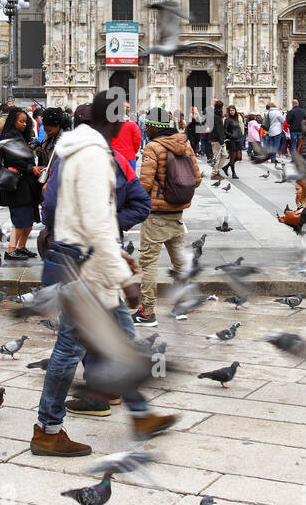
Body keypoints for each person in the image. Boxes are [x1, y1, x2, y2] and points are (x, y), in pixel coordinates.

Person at [31, 91, 177, 456]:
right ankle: (47, 430)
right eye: (123, 117)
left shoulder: (69, 151)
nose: (127, 123)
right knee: (68, 349)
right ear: (112, 120)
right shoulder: (95, 157)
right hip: (88, 266)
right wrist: (126, 279)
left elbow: (57, 208)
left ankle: (140, 413)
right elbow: (98, 223)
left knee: (123, 340)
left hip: (84, 258)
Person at [40, 100, 152, 420]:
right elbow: (133, 208)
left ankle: (106, 397)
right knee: (86, 339)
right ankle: (54, 422)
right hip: (92, 260)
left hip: (85, 256)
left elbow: (49, 208)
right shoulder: (106, 158)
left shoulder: (64, 158)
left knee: (99, 336)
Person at [133, 107, 202, 325]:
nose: (146, 128)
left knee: (148, 263)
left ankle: (147, 312)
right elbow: (197, 180)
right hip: (178, 212)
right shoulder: (186, 145)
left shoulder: (153, 147)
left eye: (148, 125)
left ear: (154, 126)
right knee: (180, 263)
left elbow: (143, 184)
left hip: (156, 215)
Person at [0, 107, 43, 259]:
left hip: (25, 183)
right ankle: (10, 250)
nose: (24, 124)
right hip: (17, 183)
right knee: (20, 218)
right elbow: (13, 160)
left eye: (25, 121)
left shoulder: (20, 136)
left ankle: (21, 247)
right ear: (13, 121)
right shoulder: (10, 137)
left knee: (28, 217)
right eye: (21, 121)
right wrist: (31, 168)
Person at [111, 102, 142, 172]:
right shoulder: (132, 125)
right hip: (129, 156)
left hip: (113, 157)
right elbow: (137, 139)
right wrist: (133, 151)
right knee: (130, 181)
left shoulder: (108, 125)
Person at [221, 105, 243, 178]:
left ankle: (226, 167)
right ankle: (233, 173)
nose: (232, 112)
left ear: (235, 111)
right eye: (230, 110)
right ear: (228, 111)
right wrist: (231, 135)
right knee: (233, 157)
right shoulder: (227, 119)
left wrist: (240, 134)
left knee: (239, 157)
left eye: (233, 110)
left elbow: (238, 127)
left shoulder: (237, 118)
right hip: (231, 140)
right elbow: (224, 130)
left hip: (238, 139)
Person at [207, 98, 226, 181]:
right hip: (216, 140)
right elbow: (218, 130)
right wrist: (221, 142)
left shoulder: (217, 115)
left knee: (224, 155)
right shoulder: (216, 116)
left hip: (217, 139)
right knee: (217, 157)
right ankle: (214, 174)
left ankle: (217, 170)